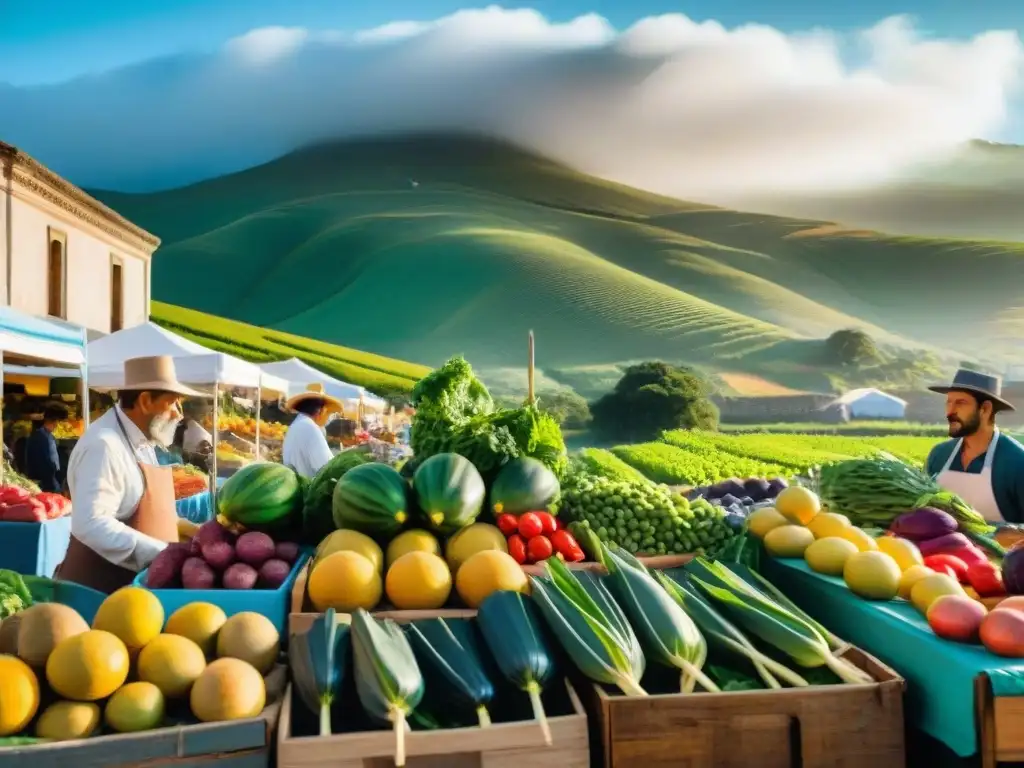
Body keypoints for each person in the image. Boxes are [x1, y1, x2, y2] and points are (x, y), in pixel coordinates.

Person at [56, 355, 207, 593]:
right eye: (173, 403)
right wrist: (162, 554)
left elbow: (141, 511)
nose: (179, 414)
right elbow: (92, 523)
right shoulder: (104, 446)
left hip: (135, 594)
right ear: (145, 401)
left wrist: (194, 532)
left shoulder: (143, 442)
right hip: (100, 595)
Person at [925, 369, 1024, 524]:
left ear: (985, 409)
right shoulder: (939, 454)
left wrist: (1002, 534)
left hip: (999, 549)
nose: (950, 411)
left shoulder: (1017, 462)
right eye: (949, 402)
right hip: (940, 548)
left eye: (961, 403)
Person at [282, 383, 342, 478]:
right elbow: (327, 469)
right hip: (307, 489)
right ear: (321, 411)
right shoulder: (310, 428)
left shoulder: (296, 425)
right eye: (328, 411)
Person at [25, 404, 69, 493]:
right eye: (57, 421)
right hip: (47, 485)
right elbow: (50, 465)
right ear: (51, 420)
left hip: (42, 483)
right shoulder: (43, 438)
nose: (57, 425)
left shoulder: (41, 435)